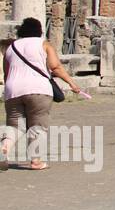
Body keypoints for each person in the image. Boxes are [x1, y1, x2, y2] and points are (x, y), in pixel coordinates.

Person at [2, 17, 90, 170]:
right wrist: (72, 83)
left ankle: (4, 148)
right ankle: (36, 161)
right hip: (39, 90)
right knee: (38, 124)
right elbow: (55, 67)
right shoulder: (44, 44)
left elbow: (6, 72)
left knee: (15, 125)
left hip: (13, 89)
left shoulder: (11, 47)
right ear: (39, 31)